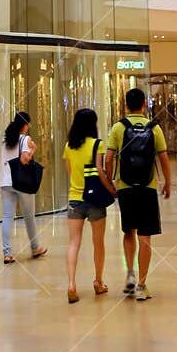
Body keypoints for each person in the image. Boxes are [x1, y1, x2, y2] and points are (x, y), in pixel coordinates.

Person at [105, 87, 172, 301]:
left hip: (126, 187)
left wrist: (110, 181)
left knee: (128, 232)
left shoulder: (118, 127)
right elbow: (163, 158)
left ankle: (130, 274)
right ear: (144, 105)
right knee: (145, 236)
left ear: (126, 105)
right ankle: (142, 284)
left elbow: (108, 158)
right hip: (147, 187)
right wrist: (168, 182)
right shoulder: (154, 128)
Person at [63, 108, 114, 302]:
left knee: (74, 243)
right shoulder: (97, 145)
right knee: (98, 242)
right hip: (95, 199)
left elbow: (70, 173)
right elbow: (100, 172)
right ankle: (98, 282)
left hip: (75, 198)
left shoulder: (69, 146)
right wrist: (111, 187)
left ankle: (71, 284)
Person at [0, 111, 48, 265]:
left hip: (5, 182)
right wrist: (33, 149)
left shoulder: (5, 140)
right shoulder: (25, 139)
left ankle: (7, 253)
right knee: (29, 217)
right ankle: (35, 248)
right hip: (21, 183)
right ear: (25, 125)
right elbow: (25, 160)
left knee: (7, 216)